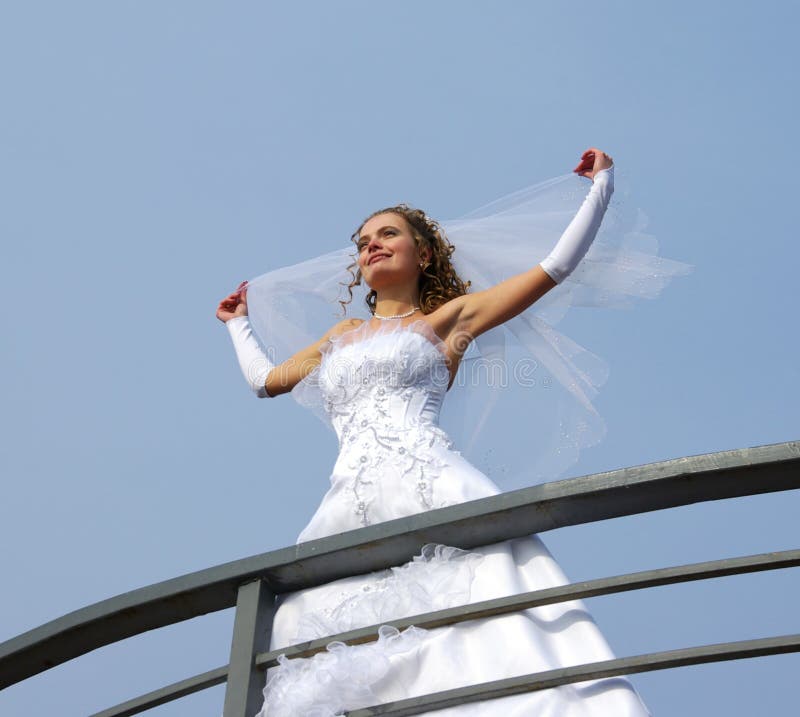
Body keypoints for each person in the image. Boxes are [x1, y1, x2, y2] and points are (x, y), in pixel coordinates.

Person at [217, 149, 655, 715]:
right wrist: (238, 325)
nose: (370, 244)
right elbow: (265, 381)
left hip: (430, 482)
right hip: (348, 498)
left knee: (480, 607)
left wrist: (602, 188)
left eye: (387, 233)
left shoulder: (446, 322)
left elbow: (555, 268)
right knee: (312, 618)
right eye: (362, 240)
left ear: (422, 253)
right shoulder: (341, 335)